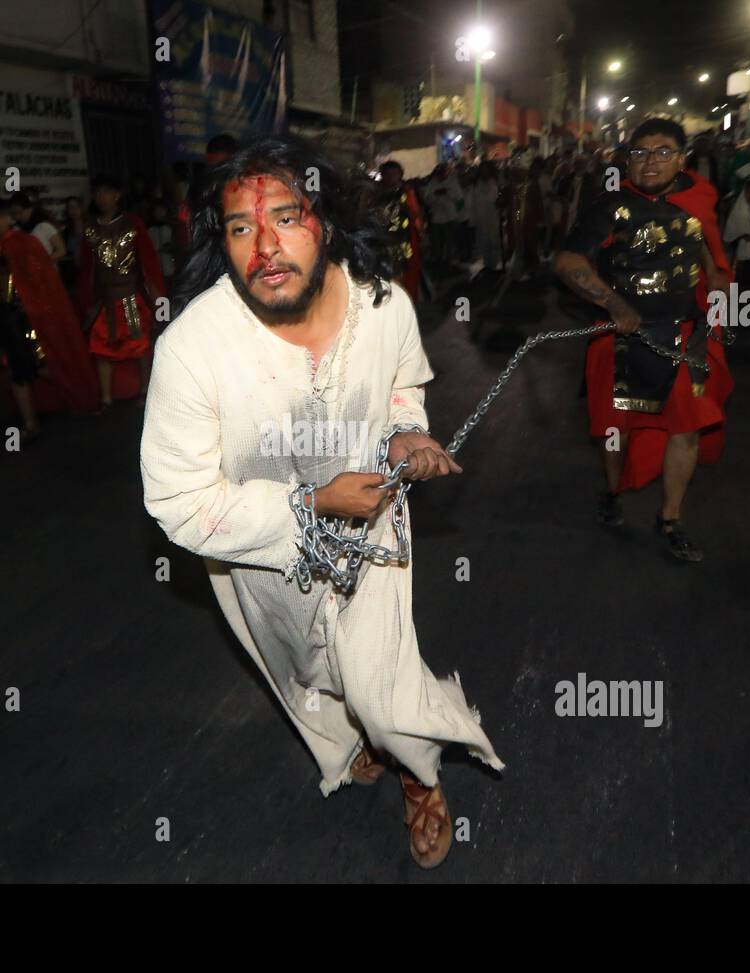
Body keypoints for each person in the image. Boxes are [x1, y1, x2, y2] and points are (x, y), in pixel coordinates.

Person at [140, 136, 502, 869]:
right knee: (312, 675)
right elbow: (178, 500)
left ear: (327, 223)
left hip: (373, 533)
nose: (265, 246)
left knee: (377, 678)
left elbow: (405, 386)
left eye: (286, 216)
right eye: (241, 227)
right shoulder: (192, 348)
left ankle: (419, 775)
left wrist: (405, 434)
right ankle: (359, 738)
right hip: (265, 563)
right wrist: (311, 503)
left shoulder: (384, 304)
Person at [553, 117, 734, 563]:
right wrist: (613, 304)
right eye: (640, 152)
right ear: (626, 158)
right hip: (619, 336)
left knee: (686, 426)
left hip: (686, 333)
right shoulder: (609, 205)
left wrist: (721, 299)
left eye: (662, 152)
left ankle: (670, 517)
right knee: (613, 431)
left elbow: (712, 257)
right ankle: (613, 491)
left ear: (682, 158)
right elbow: (568, 260)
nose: (650, 161)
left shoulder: (700, 199)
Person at [0, 197, 101, 439]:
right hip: (5, 320)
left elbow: (43, 283)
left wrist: (39, 313)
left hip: (33, 319)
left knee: (48, 363)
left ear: (9, 217)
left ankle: (77, 399)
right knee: (17, 370)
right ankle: (30, 423)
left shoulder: (26, 242)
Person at [80, 174, 166, 407]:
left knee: (139, 345)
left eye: (106, 192)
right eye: (98, 192)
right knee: (100, 346)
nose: (101, 197)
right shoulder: (90, 228)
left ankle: (146, 388)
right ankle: (106, 397)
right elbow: (87, 269)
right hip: (105, 300)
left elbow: (148, 261)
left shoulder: (133, 223)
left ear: (117, 195)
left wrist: (157, 296)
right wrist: (87, 299)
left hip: (131, 297)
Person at [374, 160, 425, 305]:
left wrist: (422, 234)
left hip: (405, 240)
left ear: (400, 175)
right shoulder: (375, 193)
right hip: (383, 241)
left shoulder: (406, 192)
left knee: (408, 273)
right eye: (387, 174)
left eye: (394, 174)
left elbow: (415, 214)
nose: (391, 177)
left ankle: (407, 305)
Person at [8, 191, 66, 263]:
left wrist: (43, 262)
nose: (17, 216)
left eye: (20, 212)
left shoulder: (44, 226)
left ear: (29, 209)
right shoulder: (16, 229)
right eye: (14, 214)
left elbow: (61, 250)